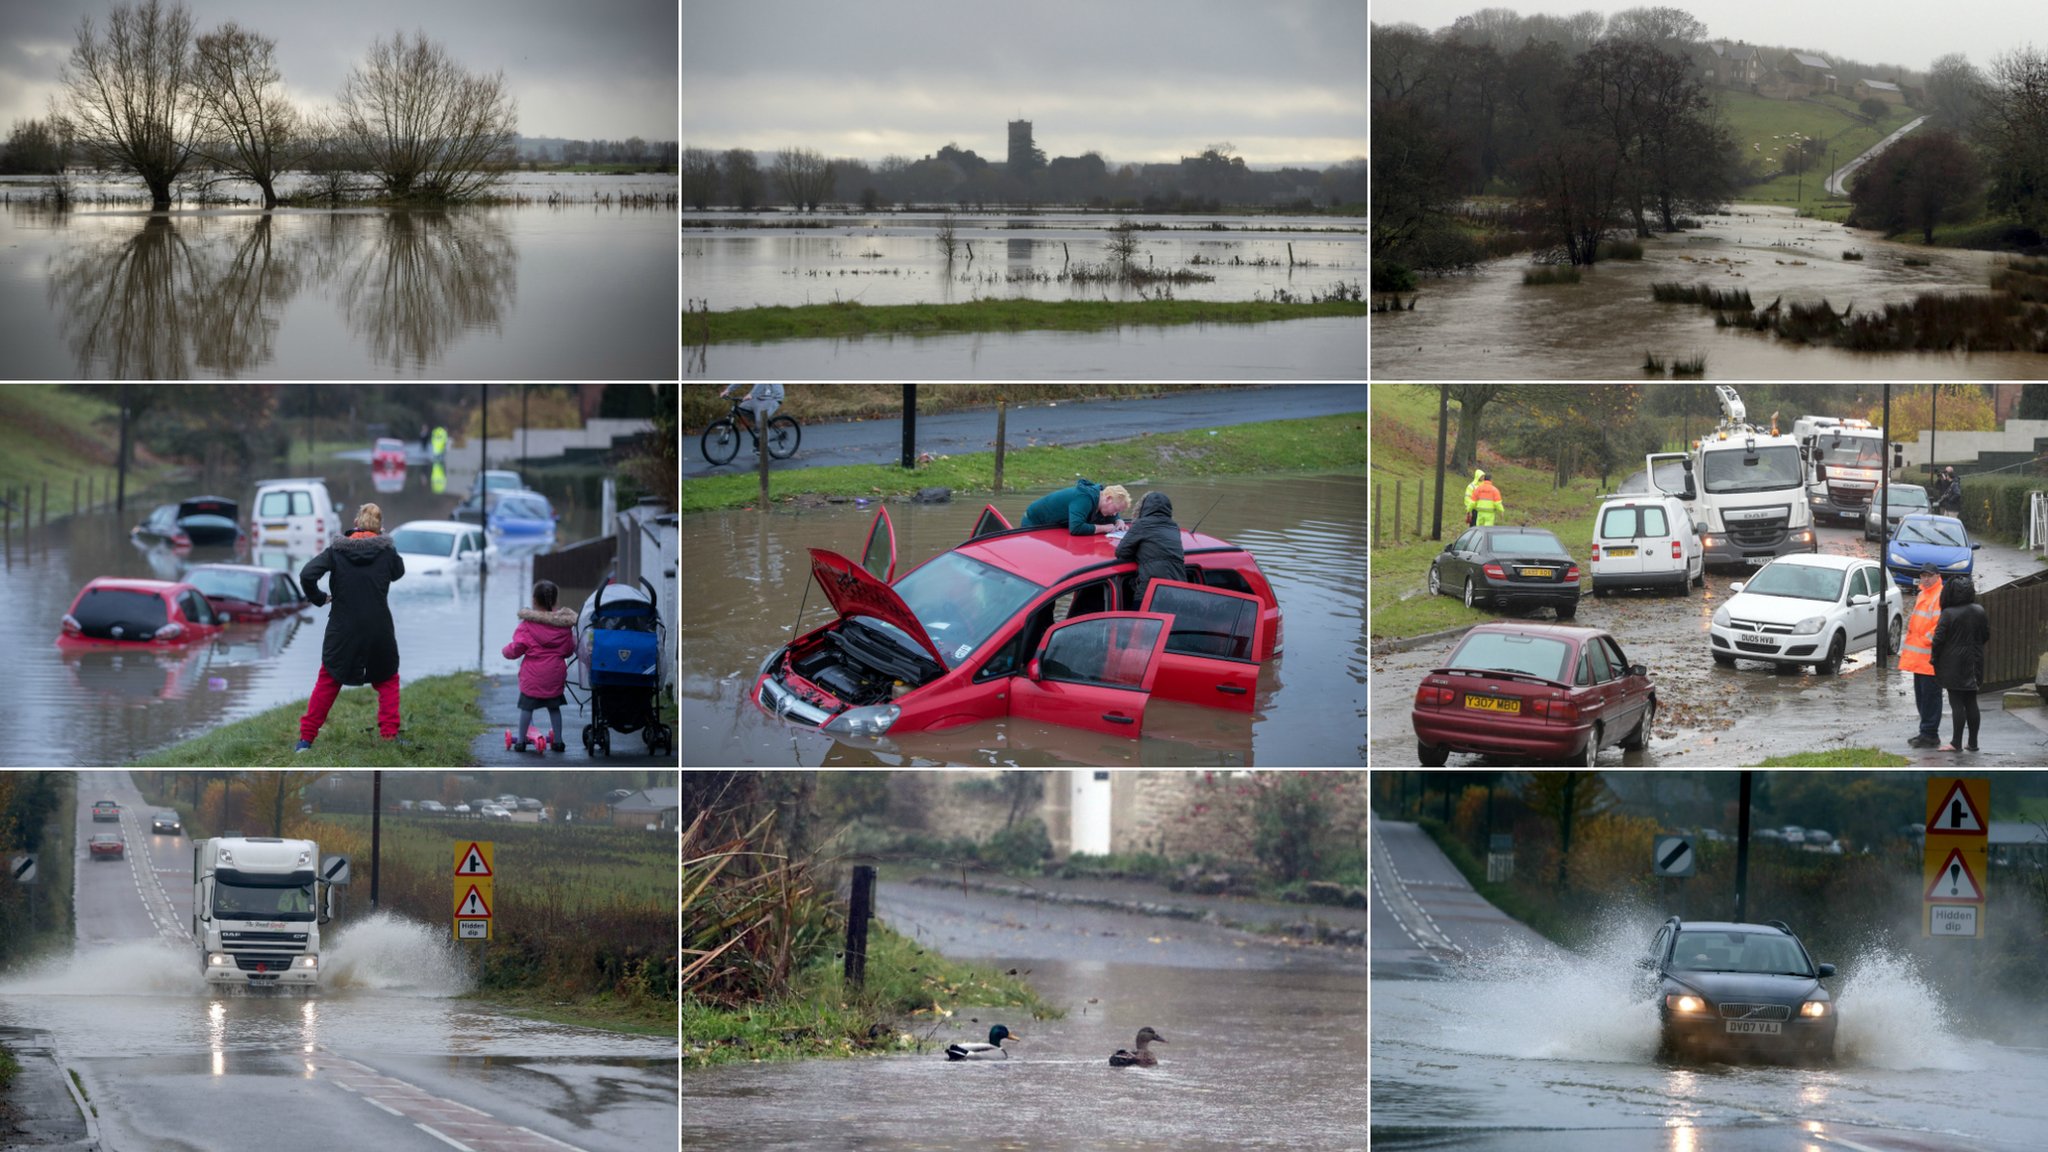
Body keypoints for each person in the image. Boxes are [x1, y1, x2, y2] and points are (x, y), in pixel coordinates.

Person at [295, 503, 404, 752]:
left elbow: (307, 574)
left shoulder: (337, 551)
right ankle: (389, 735)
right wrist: (386, 542)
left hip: (342, 629)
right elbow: (398, 572)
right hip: (378, 628)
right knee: (388, 679)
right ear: (379, 527)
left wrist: (319, 598)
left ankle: (305, 741)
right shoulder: (386, 551)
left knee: (328, 680)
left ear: (355, 523)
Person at [501, 579, 578, 753]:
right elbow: (568, 651)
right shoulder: (564, 627)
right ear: (556, 601)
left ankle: (521, 741)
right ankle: (558, 741)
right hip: (554, 676)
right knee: (554, 708)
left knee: (527, 708)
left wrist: (506, 651)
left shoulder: (527, 626)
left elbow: (518, 647)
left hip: (533, 677)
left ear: (534, 601)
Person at [1931, 574, 1990, 753]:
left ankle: (1956, 743)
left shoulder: (1948, 613)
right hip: (1974, 662)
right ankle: (1973, 743)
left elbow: (1938, 640)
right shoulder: (1979, 610)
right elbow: (1985, 636)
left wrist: (1935, 658)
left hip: (1953, 664)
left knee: (1956, 703)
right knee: (1971, 701)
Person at [1899, 563, 1945, 749]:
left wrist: (1924, 641)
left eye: (1929, 576)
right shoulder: (1923, 594)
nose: (1925, 579)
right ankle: (1925, 732)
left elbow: (1939, 626)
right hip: (1919, 658)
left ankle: (1930, 734)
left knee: (1930, 698)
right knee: (1922, 698)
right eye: (1923, 576)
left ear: (1937, 576)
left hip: (1930, 659)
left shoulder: (1939, 595)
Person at [1115, 491, 1186, 604]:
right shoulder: (1174, 527)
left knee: (1137, 615)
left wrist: (1138, 553)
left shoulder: (1141, 524)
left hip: (1152, 592)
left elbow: (1121, 552)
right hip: (1178, 591)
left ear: (1145, 508)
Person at [1022, 478, 1130, 535]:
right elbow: (1076, 528)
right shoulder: (1084, 499)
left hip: (1052, 525)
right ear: (1108, 498)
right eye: (1116, 510)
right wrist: (1104, 528)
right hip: (1034, 522)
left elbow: (1110, 513)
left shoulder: (1100, 498)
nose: (1115, 514)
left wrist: (1118, 520)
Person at [719, 382, 785, 439]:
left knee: (760, 419)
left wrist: (751, 394)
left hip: (773, 397)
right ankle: (759, 424)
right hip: (758, 397)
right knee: (742, 408)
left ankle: (764, 447)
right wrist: (728, 390)